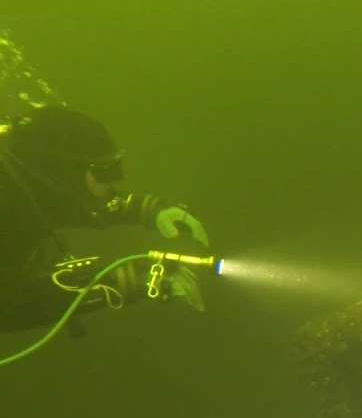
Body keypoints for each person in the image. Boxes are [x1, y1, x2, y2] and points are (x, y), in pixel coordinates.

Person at [0, 105, 209, 334]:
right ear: (64, 170)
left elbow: (64, 201)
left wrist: (146, 209)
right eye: (104, 171)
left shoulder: (25, 184)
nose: (112, 183)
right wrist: (121, 282)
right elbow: (7, 308)